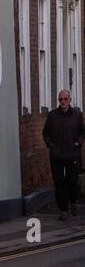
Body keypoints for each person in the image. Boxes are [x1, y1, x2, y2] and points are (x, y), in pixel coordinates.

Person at [42, 89, 84, 219]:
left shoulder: (77, 115)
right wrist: (50, 144)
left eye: (65, 99)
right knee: (59, 182)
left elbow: (82, 132)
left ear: (70, 100)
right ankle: (63, 210)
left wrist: (78, 143)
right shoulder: (52, 115)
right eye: (60, 99)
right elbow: (45, 133)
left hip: (72, 154)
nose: (63, 102)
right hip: (57, 155)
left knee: (72, 181)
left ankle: (73, 202)